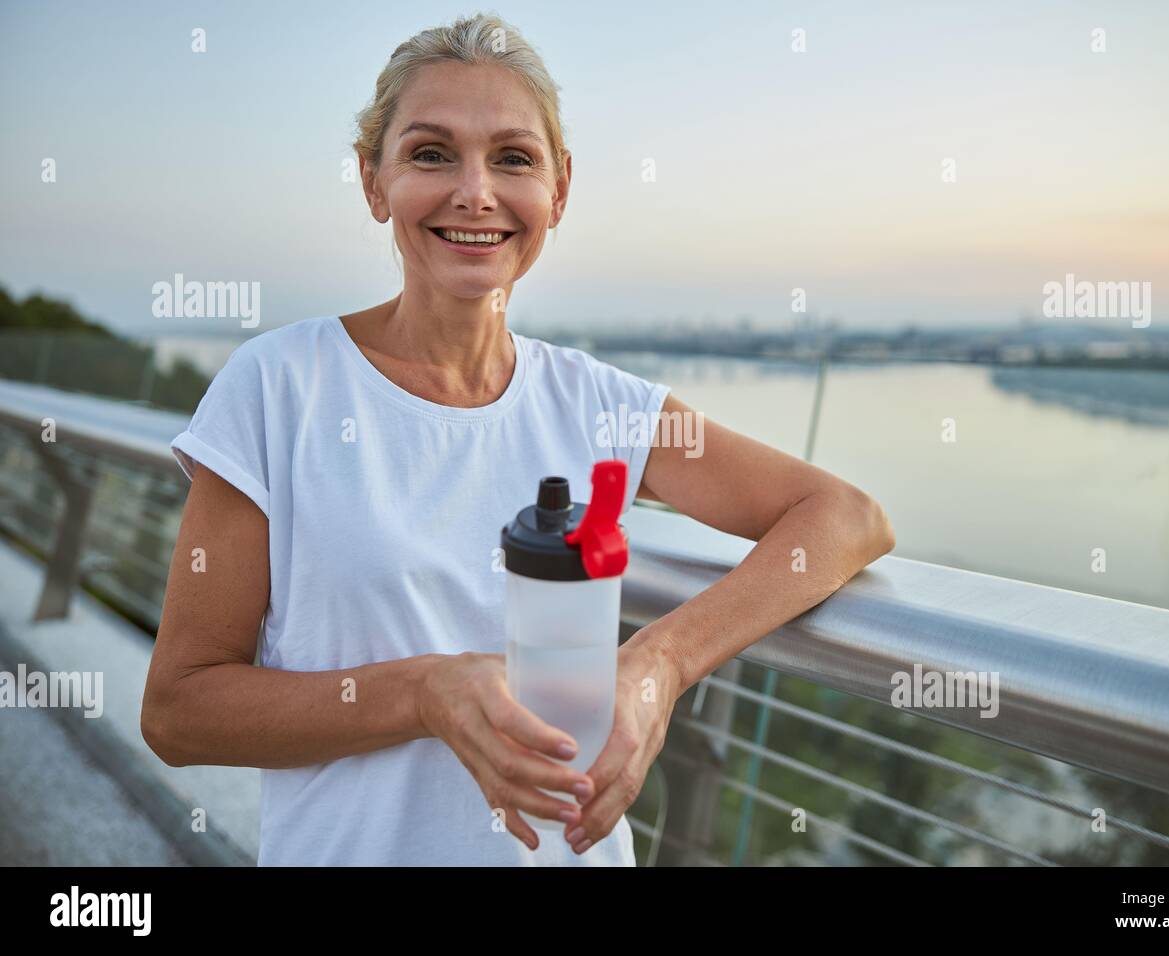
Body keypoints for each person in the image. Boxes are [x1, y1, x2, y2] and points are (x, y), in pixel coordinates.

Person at [140, 12, 895, 866]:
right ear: (372, 181)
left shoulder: (600, 405)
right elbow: (178, 710)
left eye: (513, 158)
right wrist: (427, 693)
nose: (476, 193)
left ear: (559, 191)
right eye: (431, 153)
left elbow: (844, 515)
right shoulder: (278, 386)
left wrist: (657, 666)